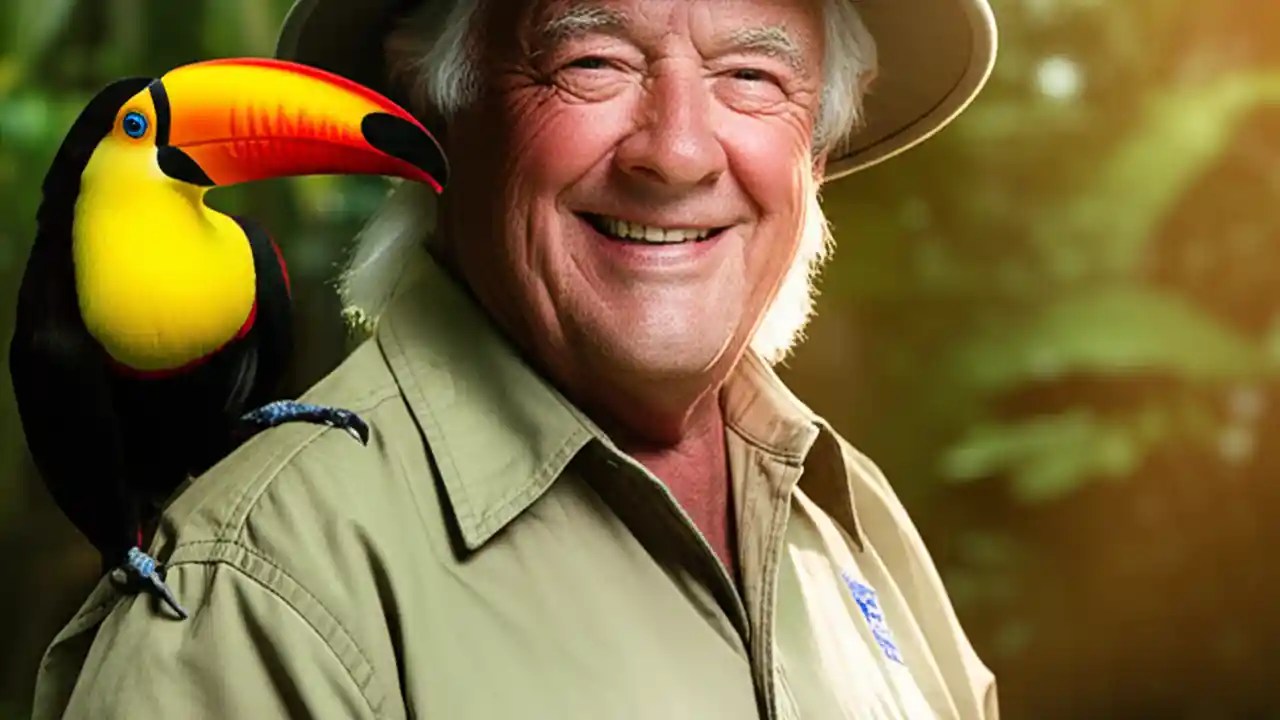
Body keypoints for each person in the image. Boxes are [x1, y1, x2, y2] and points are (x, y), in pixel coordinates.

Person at [31, 0, 999, 717]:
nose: (674, 153)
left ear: (816, 148)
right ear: (435, 108)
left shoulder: (851, 522)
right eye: (590, 61)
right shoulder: (251, 600)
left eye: (750, 76)